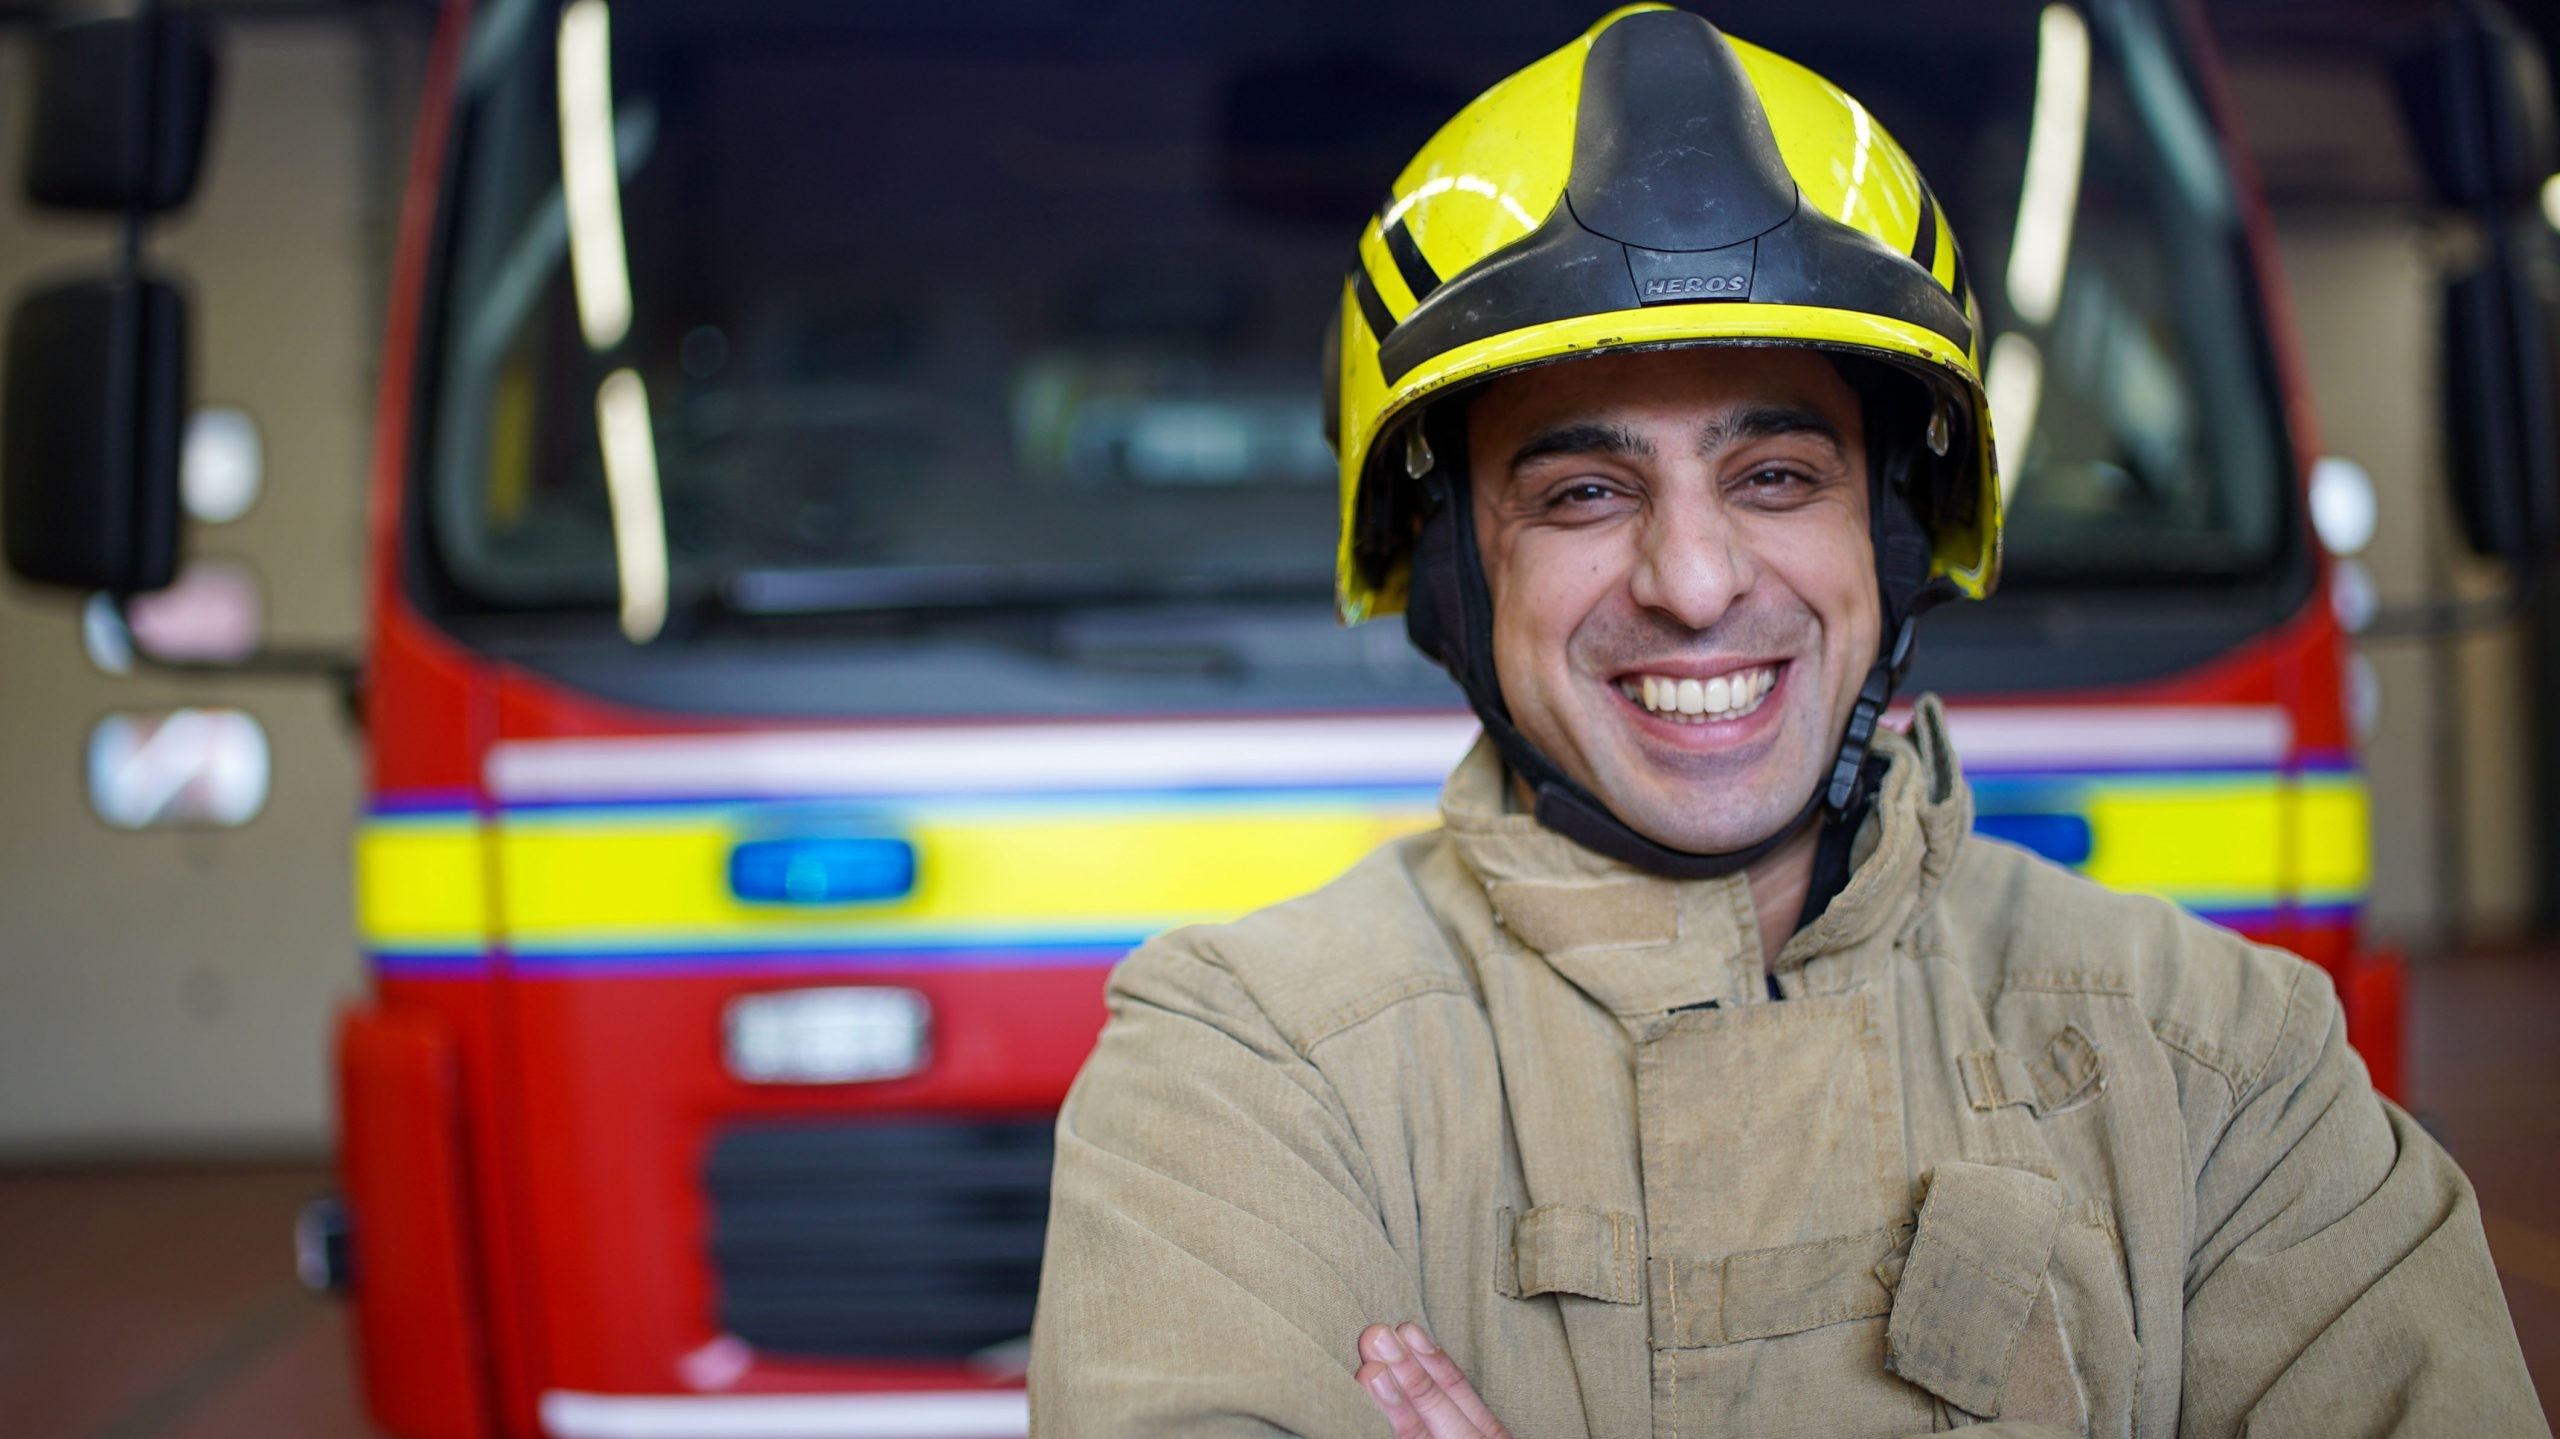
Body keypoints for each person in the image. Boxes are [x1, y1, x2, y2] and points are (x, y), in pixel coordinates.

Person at [1026, 7, 2544, 1436]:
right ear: (1453, 577)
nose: (1694, 583)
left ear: (1891, 534)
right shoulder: (1242, 1079)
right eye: (1581, 493)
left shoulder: (2223, 1069)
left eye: (1775, 477)